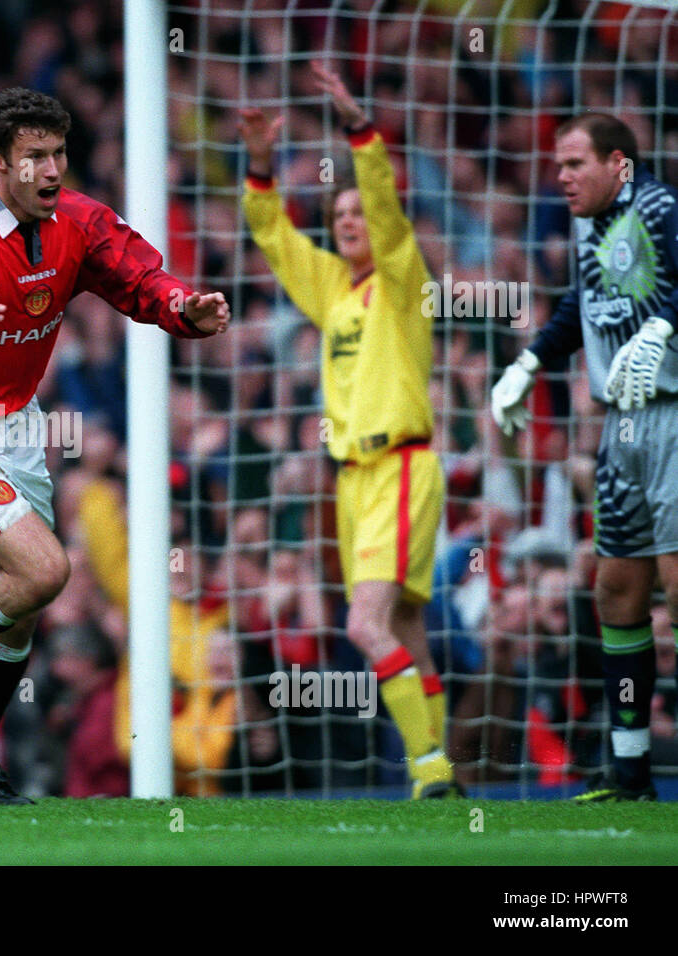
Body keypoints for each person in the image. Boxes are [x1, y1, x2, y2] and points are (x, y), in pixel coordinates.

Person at [0, 87, 229, 804]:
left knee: (20, 606)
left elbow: (139, 276)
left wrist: (183, 308)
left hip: (18, 430)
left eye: (58, 152)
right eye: (34, 156)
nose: (51, 168)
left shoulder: (79, 221)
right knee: (44, 571)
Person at [239, 64, 461, 798]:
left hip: (400, 467)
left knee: (366, 626)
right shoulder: (334, 288)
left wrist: (360, 129)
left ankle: (427, 770)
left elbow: (388, 209)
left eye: (356, 216)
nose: (347, 224)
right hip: (353, 479)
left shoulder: (401, 281)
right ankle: (442, 770)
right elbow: (274, 237)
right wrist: (262, 168)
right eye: (338, 218)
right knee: (408, 630)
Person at [491, 111, 678, 801]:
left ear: (618, 164)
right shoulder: (588, 225)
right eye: (558, 165)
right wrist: (532, 361)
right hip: (619, 430)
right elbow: (582, 304)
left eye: (574, 164)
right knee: (616, 591)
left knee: (677, 585)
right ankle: (629, 773)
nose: (560, 177)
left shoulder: (661, 211)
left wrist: (663, 323)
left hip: (674, 416)